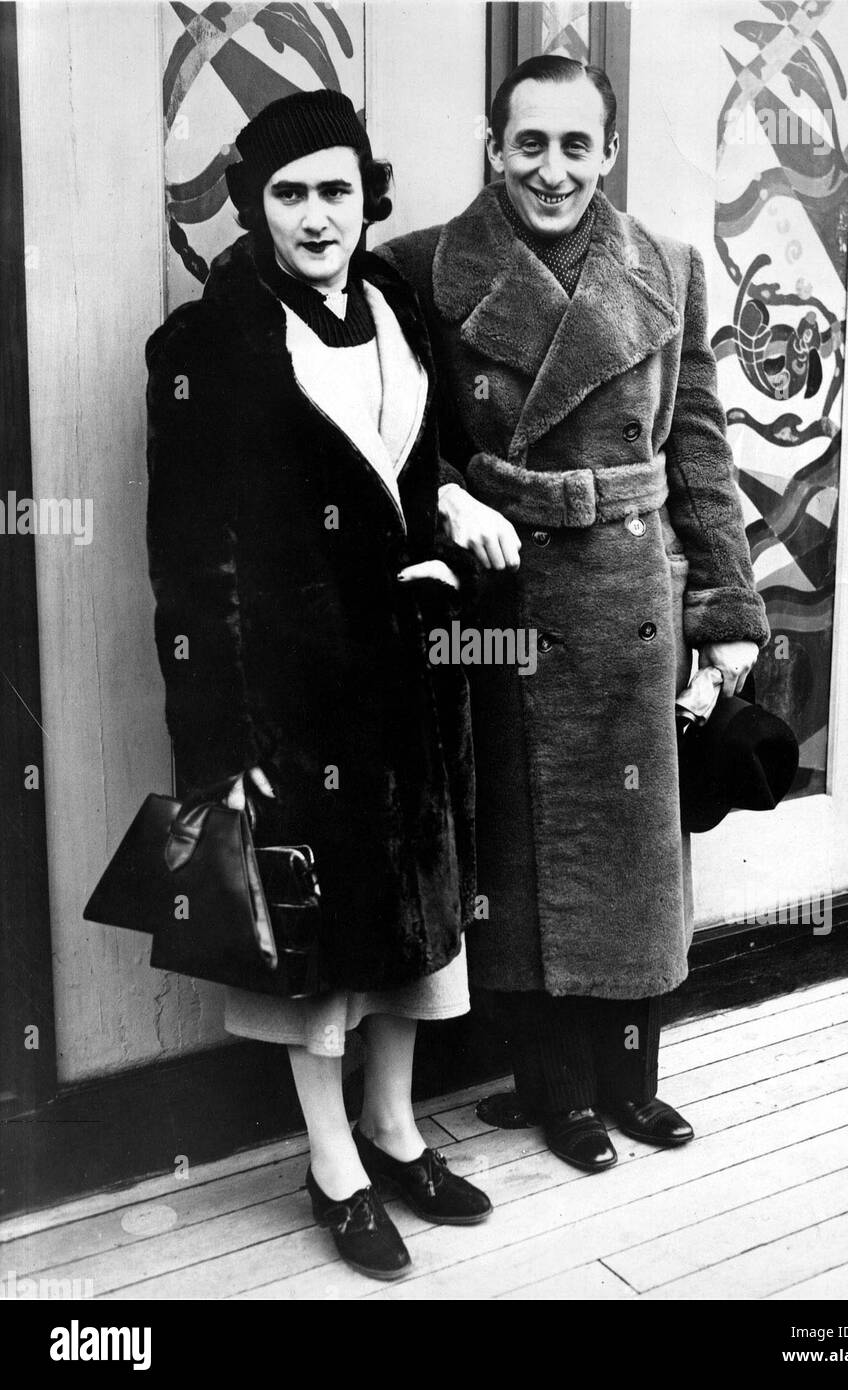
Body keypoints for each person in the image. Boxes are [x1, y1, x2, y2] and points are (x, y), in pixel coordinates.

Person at [377, 56, 770, 1173]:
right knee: (530, 853)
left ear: (608, 153)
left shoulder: (673, 268)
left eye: (576, 145)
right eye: (530, 143)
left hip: (634, 590)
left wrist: (727, 607)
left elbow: (697, 443)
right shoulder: (420, 269)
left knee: (639, 857)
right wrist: (452, 502)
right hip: (510, 599)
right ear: (492, 145)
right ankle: (557, 1095)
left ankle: (632, 1081)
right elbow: (410, 448)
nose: (553, 170)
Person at [144, 89, 491, 1280]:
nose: (314, 215)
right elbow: (189, 569)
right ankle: (333, 1158)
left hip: (414, 672)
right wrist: (218, 735)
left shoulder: (397, 301)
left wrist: (448, 499)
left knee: (411, 920)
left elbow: (422, 448)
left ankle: (396, 1128)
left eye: (335, 189)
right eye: (288, 193)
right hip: (293, 696)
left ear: (365, 196)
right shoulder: (210, 348)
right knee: (315, 942)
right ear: (253, 206)